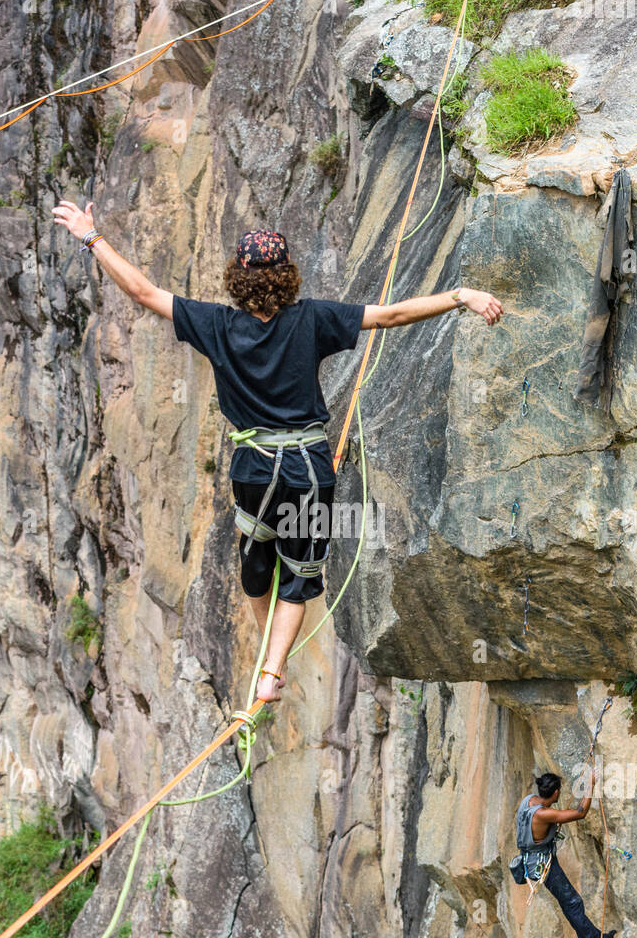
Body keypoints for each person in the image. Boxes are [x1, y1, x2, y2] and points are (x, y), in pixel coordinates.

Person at [52, 201, 503, 701]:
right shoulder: (313, 320)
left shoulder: (217, 326)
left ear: (238, 277)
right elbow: (392, 314)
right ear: (286, 275)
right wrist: (461, 295)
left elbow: (141, 291)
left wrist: (91, 236)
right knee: (301, 572)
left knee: (256, 564)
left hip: (251, 468)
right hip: (306, 468)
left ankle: (269, 658)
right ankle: (272, 670)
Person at [514, 770, 621, 938]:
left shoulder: (529, 800)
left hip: (531, 858)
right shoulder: (544, 814)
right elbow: (580, 813)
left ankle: (589, 935)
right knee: (572, 902)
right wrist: (591, 785)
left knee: (568, 903)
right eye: (559, 790)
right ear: (555, 793)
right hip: (541, 865)